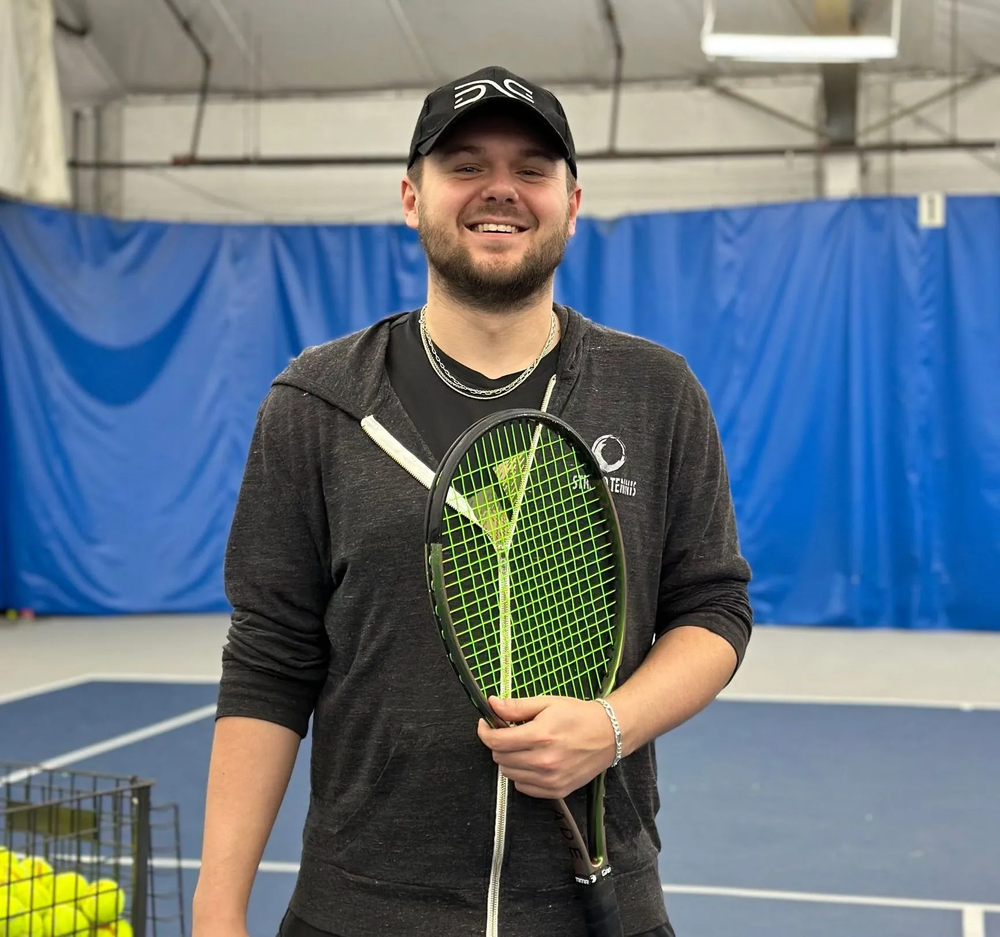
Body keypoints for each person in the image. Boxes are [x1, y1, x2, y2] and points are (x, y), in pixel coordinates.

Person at [192, 65, 752, 937]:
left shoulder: (656, 393)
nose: (501, 189)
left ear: (574, 200)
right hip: (358, 909)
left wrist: (610, 725)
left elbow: (713, 610)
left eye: (532, 168)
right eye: (466, 164)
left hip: (602, 905)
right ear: (412, 196)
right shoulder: (316, 401)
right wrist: (217, 910)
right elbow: (269, 658)